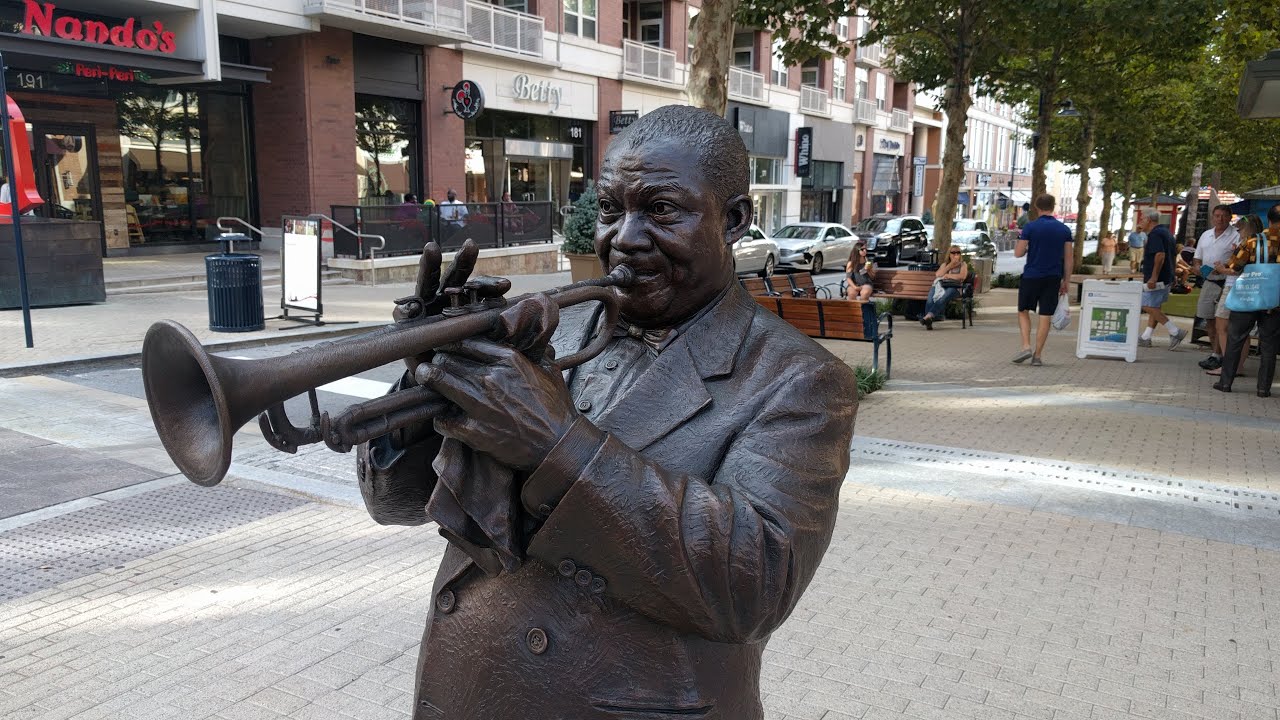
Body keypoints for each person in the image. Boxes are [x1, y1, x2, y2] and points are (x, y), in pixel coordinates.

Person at [355, 105, 858, 719]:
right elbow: (396, 504)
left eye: (662, 210)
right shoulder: (557, 330)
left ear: (733, 221)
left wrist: (554, 444)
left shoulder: (799, 381)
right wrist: (424, 378)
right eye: (612, 209)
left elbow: (752, 588)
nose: (623, 236)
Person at [1212, 207, 1280, 397]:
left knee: (1235, 339)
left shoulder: (1252, 242)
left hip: (1248, 296)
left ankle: (1225, 383)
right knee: (1269, 345)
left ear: (1269, 219)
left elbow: (1234, 268)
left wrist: (1221, 268)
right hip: (1275, 302)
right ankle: (1263, 389)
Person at [1012, 193, 1073, 366]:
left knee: (1023, 311)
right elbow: (1069, 259)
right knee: (1045, 315)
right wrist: (1066, 281)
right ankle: (1037, 356)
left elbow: (1018, 253)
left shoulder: (1030, 228)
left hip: (1032, 275)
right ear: (1053, 207)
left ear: (1036, 207)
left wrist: (1027, 248)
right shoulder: (1064, 230)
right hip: (1053, 277)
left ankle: (1026, 346)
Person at [1193, 204, 1240, 370]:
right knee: (1209, 319)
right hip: (1209, 281)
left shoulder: (1236, 236)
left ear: (1229, 217)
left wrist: (1223, 266)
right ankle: (1215, 354)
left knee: (1224, 322)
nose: (1219, 219)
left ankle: (1222, 357)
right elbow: (1197, 258)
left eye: (1223, 216)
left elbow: (1239, 260)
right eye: (1217, 216)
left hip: (1226, 282)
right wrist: (1197, 267)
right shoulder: (1206, 235)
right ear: (1212, 217)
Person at [1134, 207, 1188, 349]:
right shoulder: (1166, 232)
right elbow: (1172, 254)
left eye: (1142, 219)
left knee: (1146, 305)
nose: (1140, 221)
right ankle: (1146, 337)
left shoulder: (1155, 234)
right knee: (1155, 306)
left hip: (1157, 278)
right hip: (1166, 276)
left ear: (1148, 220)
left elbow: (1160, 255)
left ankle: (1175, 331)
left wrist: (1153, 277)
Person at [920, 247, 969, 329]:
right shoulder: (945, 264)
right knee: (930, 299)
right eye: (953, 253)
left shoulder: (963, 264)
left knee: (944, 297)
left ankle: (928, 317)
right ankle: (929, 320)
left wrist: (947, 275)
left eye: (958, 253)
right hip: (941, 285)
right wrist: (950, 265)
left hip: (954, 287)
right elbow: (938, 275)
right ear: (949, 254)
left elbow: (962, 276)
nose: (955, 255)